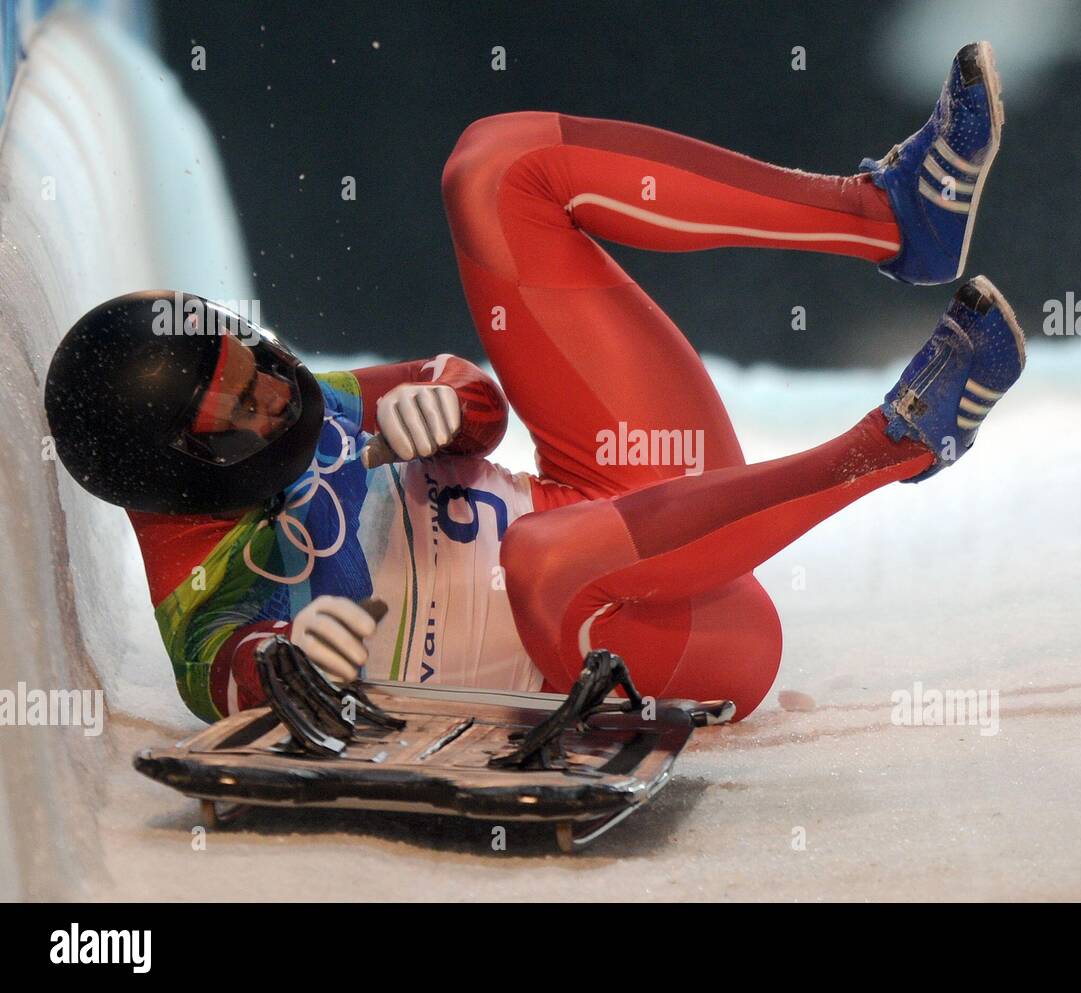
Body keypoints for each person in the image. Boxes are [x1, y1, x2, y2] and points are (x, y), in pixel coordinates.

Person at [44, 42, 1022, 723]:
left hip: (634, 490)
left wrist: (446, 402)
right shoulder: (202, 588)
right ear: (186, 476)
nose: (275, 392)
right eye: (239, 414)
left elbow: (473, 402)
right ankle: (896, 443)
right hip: (647, 629)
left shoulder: (294, 394)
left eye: (252, 355)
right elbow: (223, 669)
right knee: (542, 558)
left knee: (495, 167)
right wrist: (281, 668)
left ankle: (884, 216)